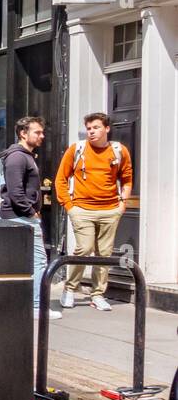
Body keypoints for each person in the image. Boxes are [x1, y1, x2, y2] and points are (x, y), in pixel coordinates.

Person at [54, 112, 133, 312]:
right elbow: (60, 180)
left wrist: (122, 205)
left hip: (110, 210)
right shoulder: (77, 149)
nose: (91, 132)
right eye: (89, 128)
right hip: (82, 209)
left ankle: (98, 294)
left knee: (104, 253)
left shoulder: (119, 151)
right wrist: (69, 207)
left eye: (96, 127)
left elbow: (127, 179)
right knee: (84, 248)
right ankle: (70, 289)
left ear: (107, 129)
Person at [0, 115, 60, 320]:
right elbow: (15, 192)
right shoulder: (18, 157)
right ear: (23, 133)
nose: (42, 136)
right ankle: (36, 306)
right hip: (21, 217)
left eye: (42, 132)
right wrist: (31, 212)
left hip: (20, 216)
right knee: (39, 261)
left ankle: (26, 303)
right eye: (37, 132)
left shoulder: (25, 156)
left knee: (25, 262)